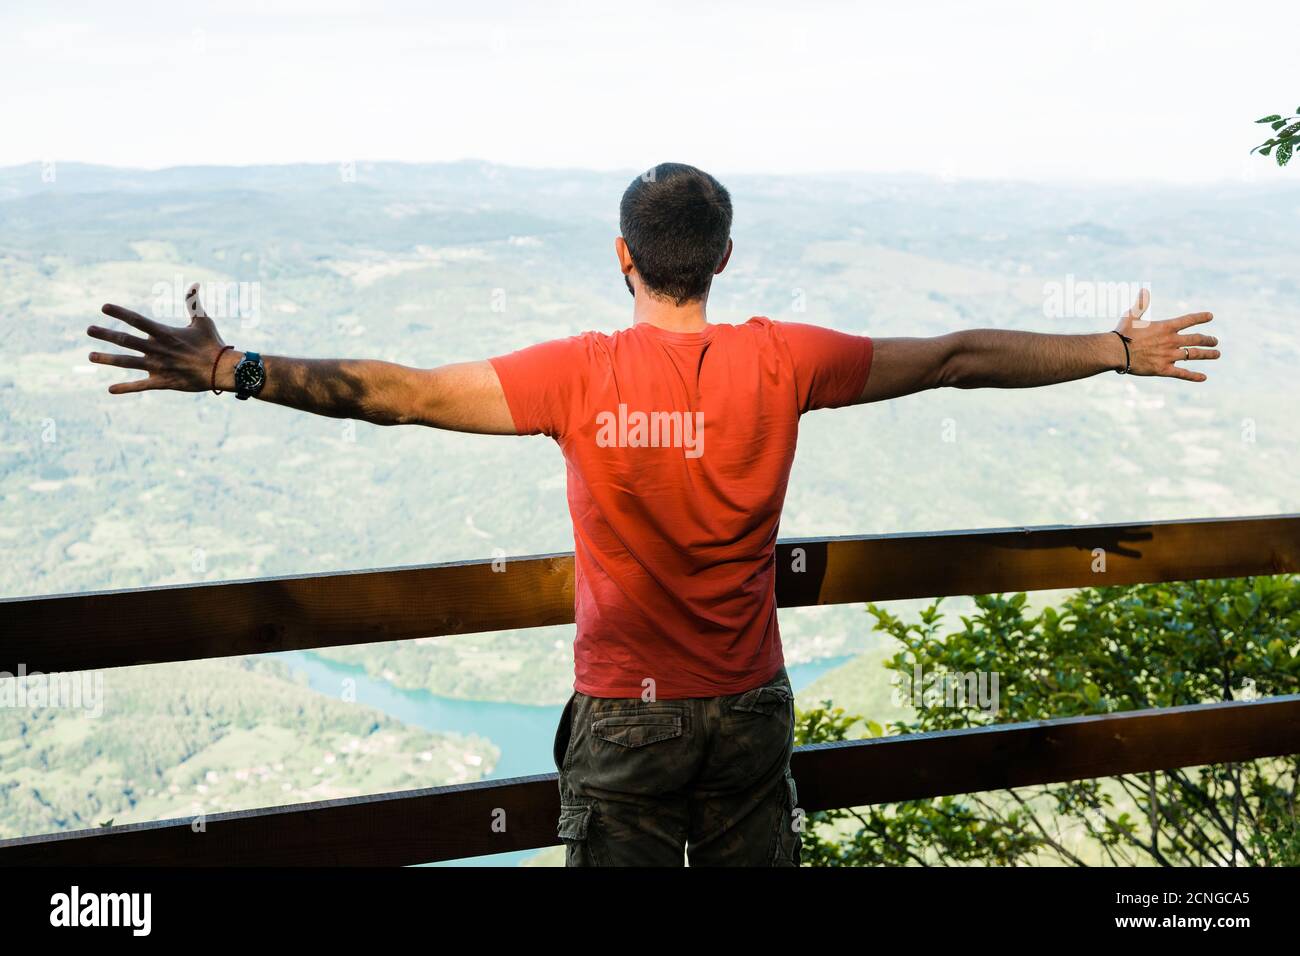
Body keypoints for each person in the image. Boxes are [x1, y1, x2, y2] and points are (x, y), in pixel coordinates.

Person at [86, 162, 1220, 867]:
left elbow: (403, 395)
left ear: (623, 257)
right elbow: (962, 355)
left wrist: (234, 367)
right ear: (723, 258)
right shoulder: (786, 359)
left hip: (625, 719)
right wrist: (1115, 349)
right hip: (747, 710)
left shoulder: (576, 376)